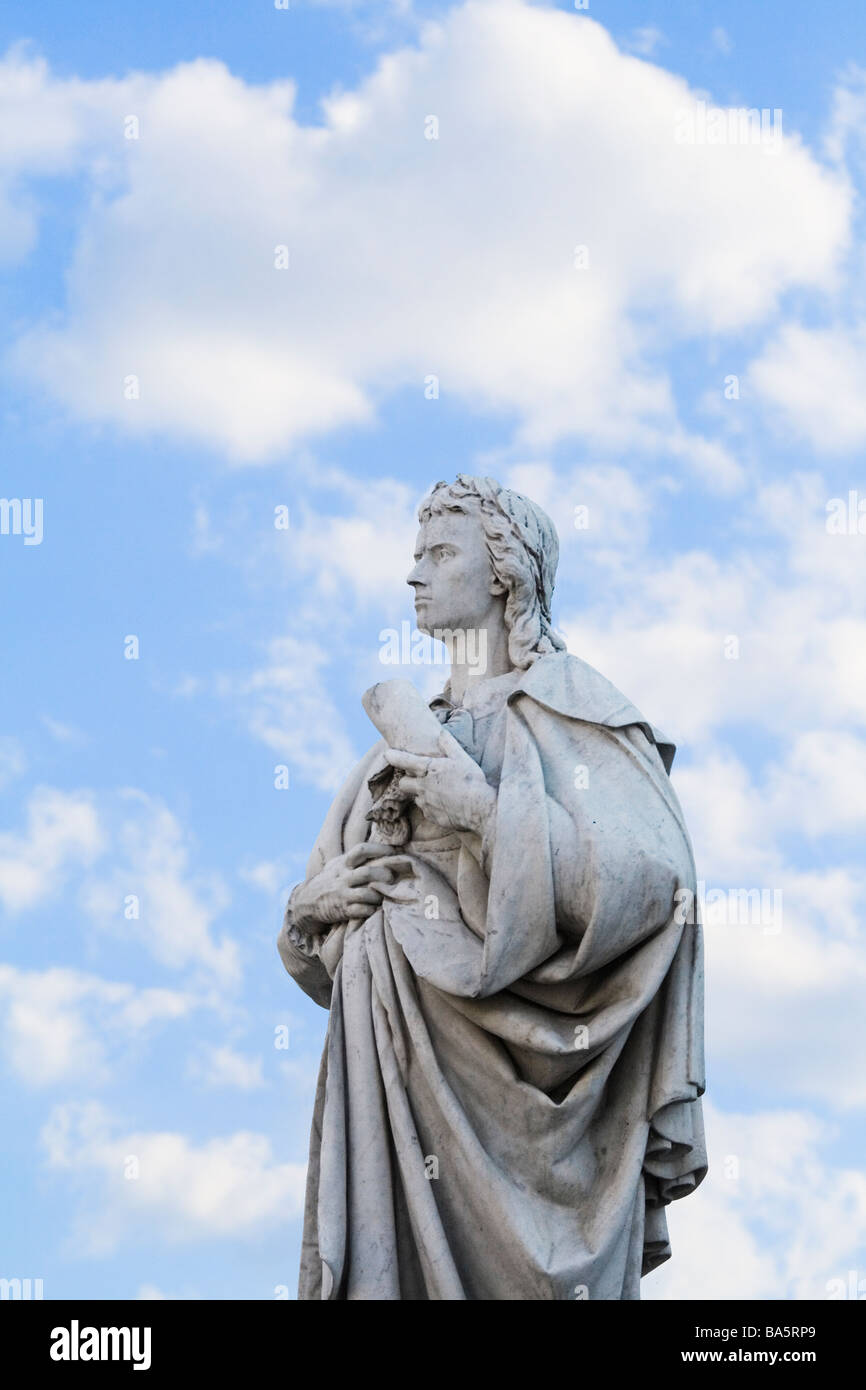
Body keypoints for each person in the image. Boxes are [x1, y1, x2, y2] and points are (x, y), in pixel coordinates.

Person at [279, 473, 706, 1300]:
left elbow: (658, 889)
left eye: (441, 553)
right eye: (415, 555)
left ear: (505, 573)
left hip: (541, 1116)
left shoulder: (576, 711)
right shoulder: (387, 752)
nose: (415, 574)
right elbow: (315, 933)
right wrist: (307, 915)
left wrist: (483, 812)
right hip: (397, 1091)